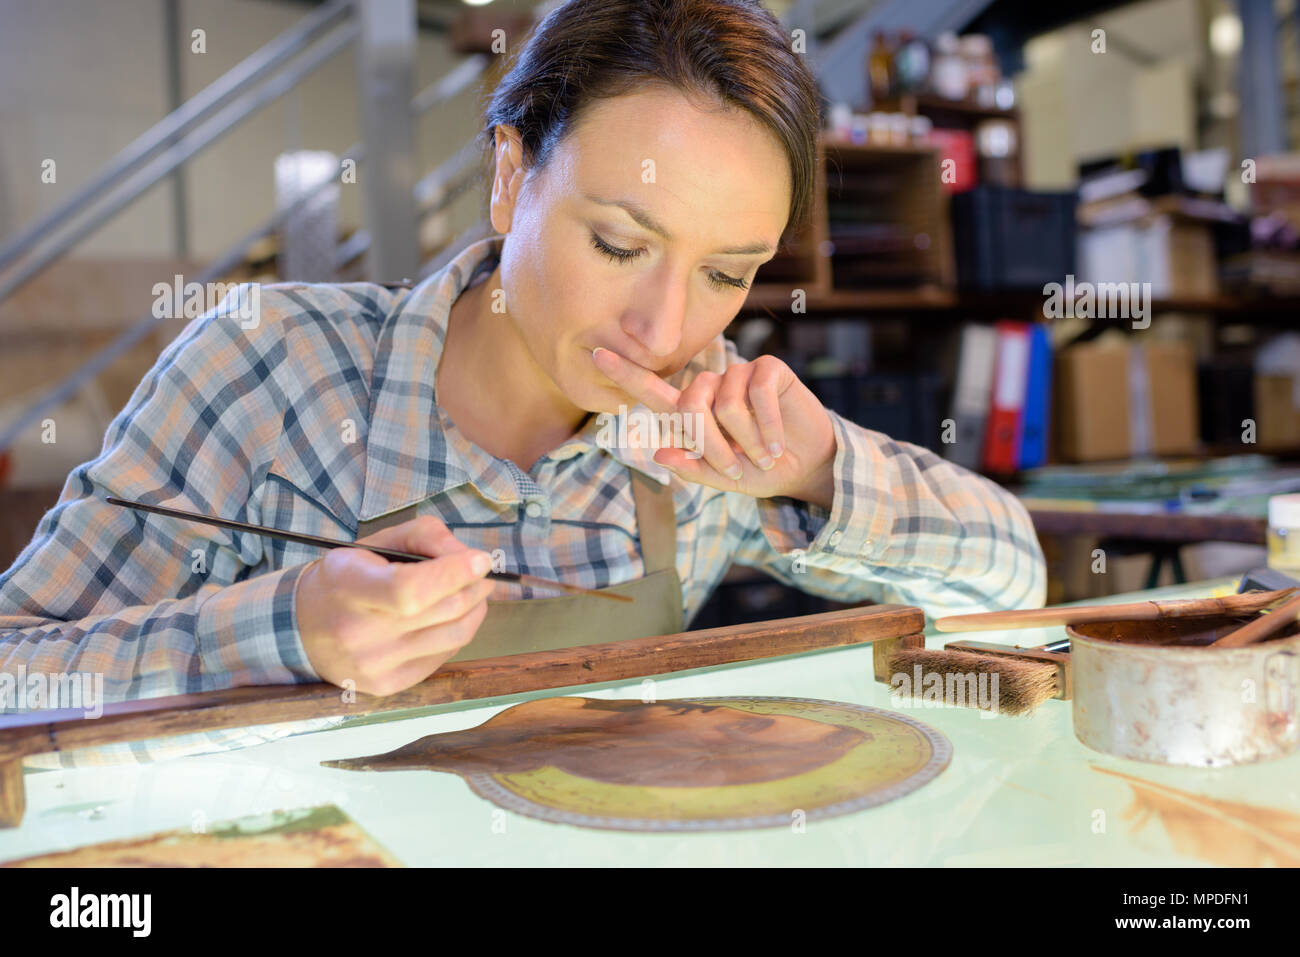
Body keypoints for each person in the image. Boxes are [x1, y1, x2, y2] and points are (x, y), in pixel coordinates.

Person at [0, 0, 1044, 764]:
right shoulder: (273, 365)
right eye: (618, 242)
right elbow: (16, 680)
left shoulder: (706, 436)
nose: (668, 325)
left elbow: (1013, 581)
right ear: (511, 176)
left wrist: (815, 472)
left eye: (728, 273)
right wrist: (288, 631)